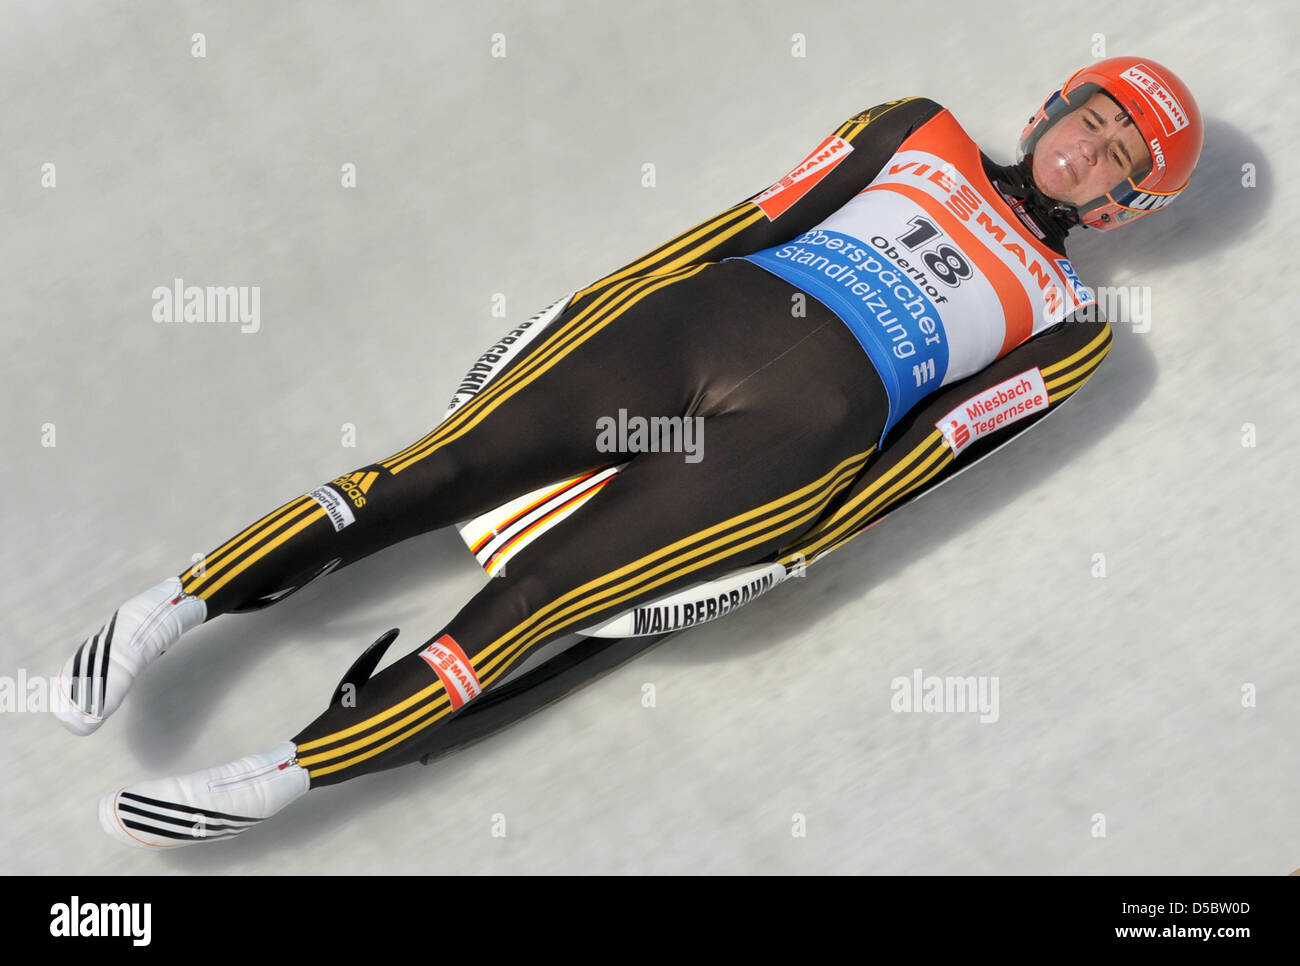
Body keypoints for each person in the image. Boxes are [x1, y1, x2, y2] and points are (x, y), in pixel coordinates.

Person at [53, 56, 1203, 848]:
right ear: (1054, 104)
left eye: (1117, 155)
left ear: (1127, 205)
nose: (1087, 150)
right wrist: (580, 314)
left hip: (787, 445)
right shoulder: (916, 127)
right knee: (427, 475)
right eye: (1090, 119)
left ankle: (281, 777)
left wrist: (796, 543)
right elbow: (738, 226)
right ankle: (170, 607)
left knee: (537, 602)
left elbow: (927, 455)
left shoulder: (1069, 328)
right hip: (687, 332)